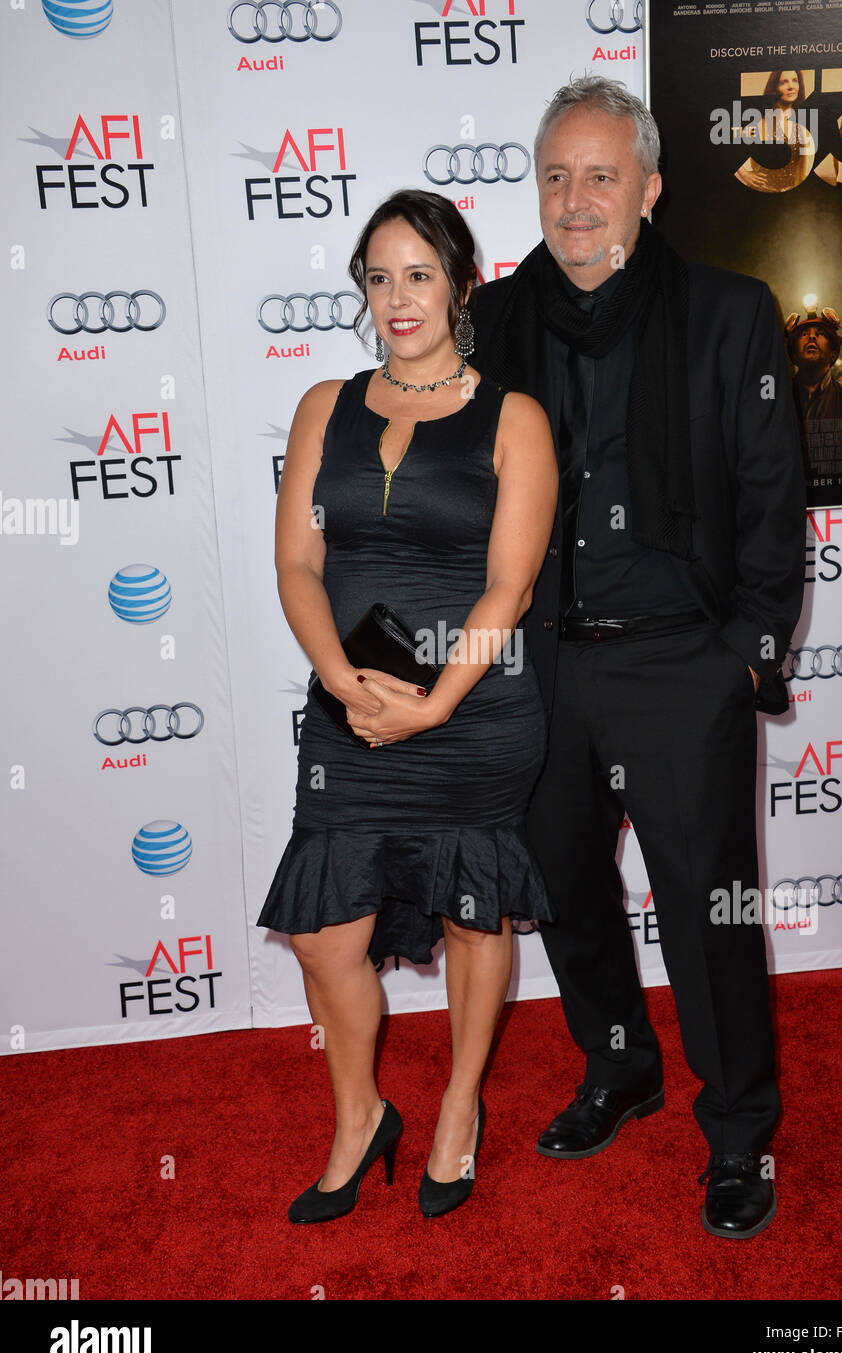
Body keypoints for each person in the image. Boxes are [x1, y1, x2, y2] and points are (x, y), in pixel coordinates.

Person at [471, 77, 806, 1239]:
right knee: (565, 891)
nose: (574, 202)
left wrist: (739, 657)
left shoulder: (728, 313)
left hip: (680, 666)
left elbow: (772, 504)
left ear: (649, 189)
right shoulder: (496, 321)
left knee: (706, 914)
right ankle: (618, 1064)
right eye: (555, 176)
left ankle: (736, 1134)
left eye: (599, 175)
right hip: (542, 665)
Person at [258, 189, 558, 1223]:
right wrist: (340, 680)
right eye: (377, 277)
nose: (396, 298)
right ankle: (358, 1115)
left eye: (418, 275)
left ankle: (458, 1108)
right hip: (349, 705)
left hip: (471, 713)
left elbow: (508, 587)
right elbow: (298, 560)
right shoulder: (321, 407)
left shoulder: (513, 418)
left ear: (462, 286)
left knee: (473, 918)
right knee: (325, 937)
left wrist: (432, 707)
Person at [735, 69, 813, 193]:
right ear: (774, 88)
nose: (791, 86)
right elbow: (725, 143)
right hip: (763, 192)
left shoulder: (802, 120)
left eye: (794, 80)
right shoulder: (759, 117)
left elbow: (802, 165)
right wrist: (743, 174)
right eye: (784, 82)